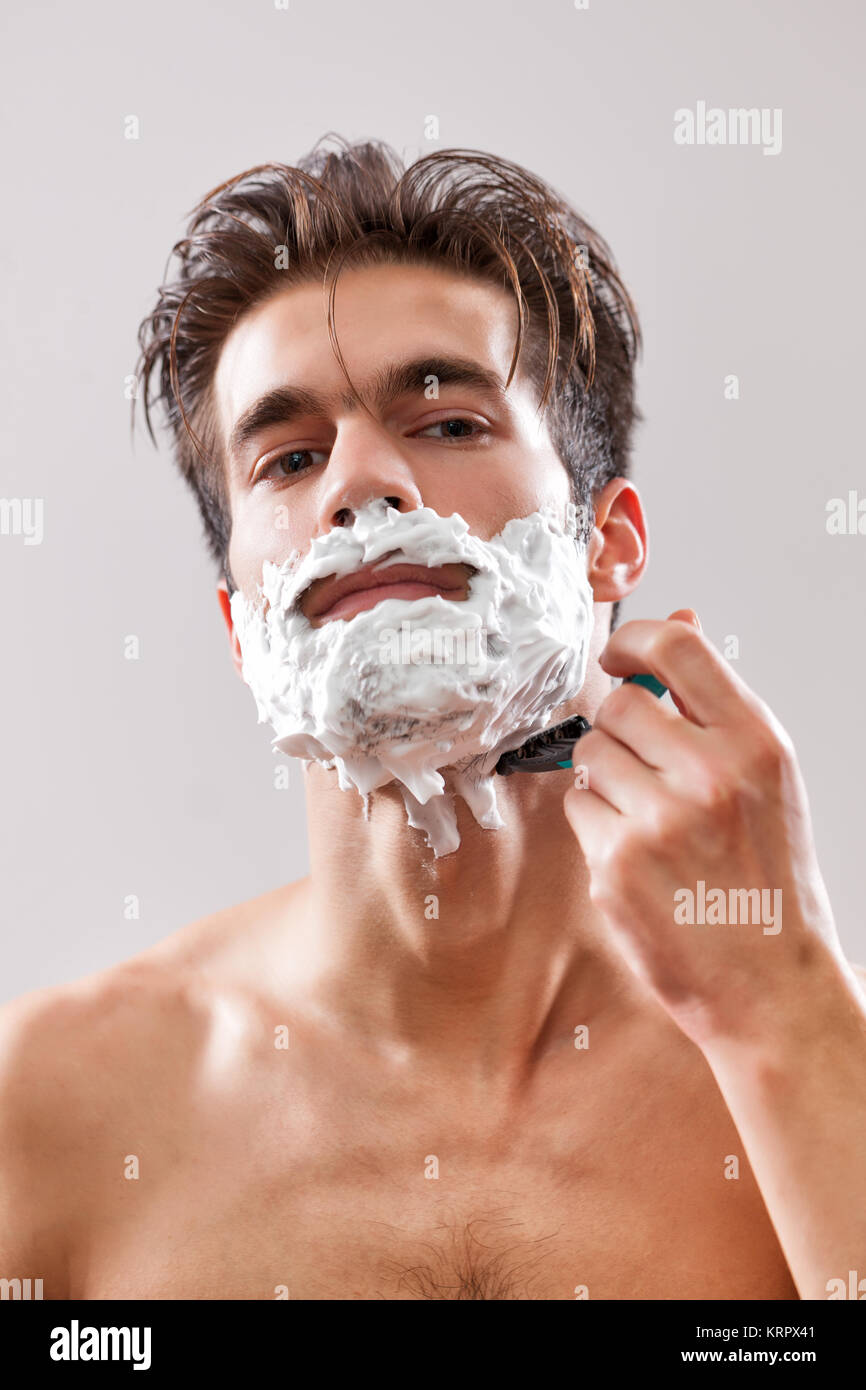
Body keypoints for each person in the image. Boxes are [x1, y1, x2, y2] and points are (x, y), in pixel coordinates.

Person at [1, 135, 864, 1301]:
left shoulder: (794, 1071)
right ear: (238, 624)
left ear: (606, 540)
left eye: (448, 422)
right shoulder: (48, 1111)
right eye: (290, 455)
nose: (360, 482)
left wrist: (789, 1006)